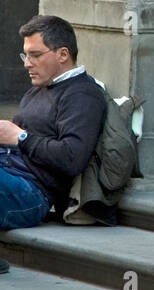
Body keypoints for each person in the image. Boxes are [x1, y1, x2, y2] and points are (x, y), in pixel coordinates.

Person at [0, 17, 107, 258]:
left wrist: (20, 137)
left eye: (35, 55)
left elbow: (72, 158)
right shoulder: (37, 90)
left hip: (31, 192)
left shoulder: (83, 95)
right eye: (25, 56)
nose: (27, 64)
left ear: (62, 54)